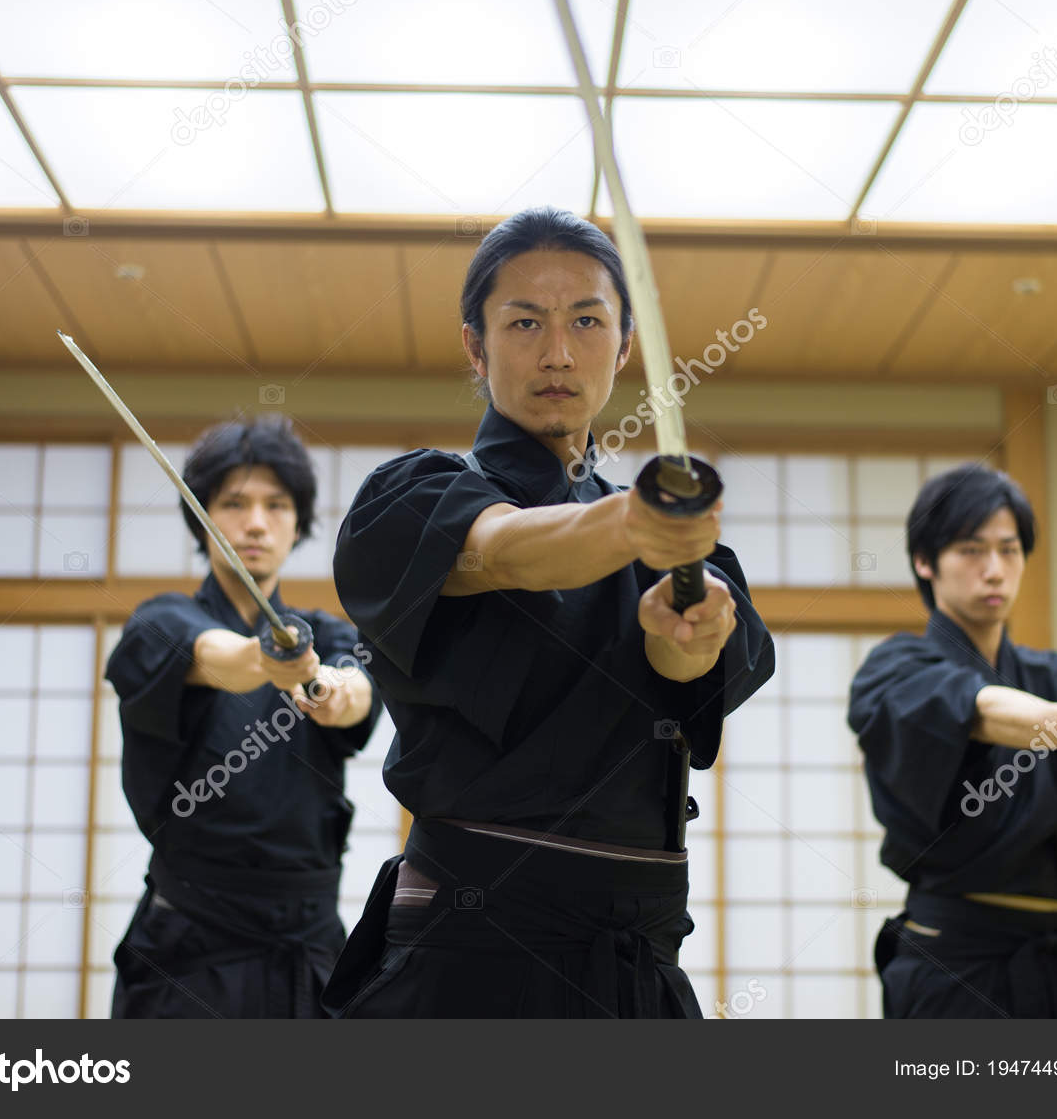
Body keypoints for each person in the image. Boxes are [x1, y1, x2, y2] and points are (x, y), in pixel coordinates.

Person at [323, 206, 775, 1018]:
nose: (558, 353)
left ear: (626, 344)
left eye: (587, 321)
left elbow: (685, 678)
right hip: (471, 951)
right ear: (476, 344)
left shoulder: (680, 552)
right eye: (525, 322)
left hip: (640, 955)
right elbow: (501, 550)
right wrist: (631, 525)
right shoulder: (412, 496)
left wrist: (688, 638)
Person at [848, 463, 1057, 1018]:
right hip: (955, 965)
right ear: (924, 561)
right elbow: (979, 709)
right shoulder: (894, 669)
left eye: (1009, 551)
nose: (994, 571)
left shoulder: (1052, 673)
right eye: (970, 550)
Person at [104, 414, 380, 1018]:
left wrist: (330, 688)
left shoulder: (331, 634)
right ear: (201, 519)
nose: (255, 523)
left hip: (311, 944)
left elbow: (357, 693)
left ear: (298, 523)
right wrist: (268, 660)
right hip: (190, 946)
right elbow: (217, 657)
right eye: (233, 503)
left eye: (276, 505)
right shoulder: (161, 623)